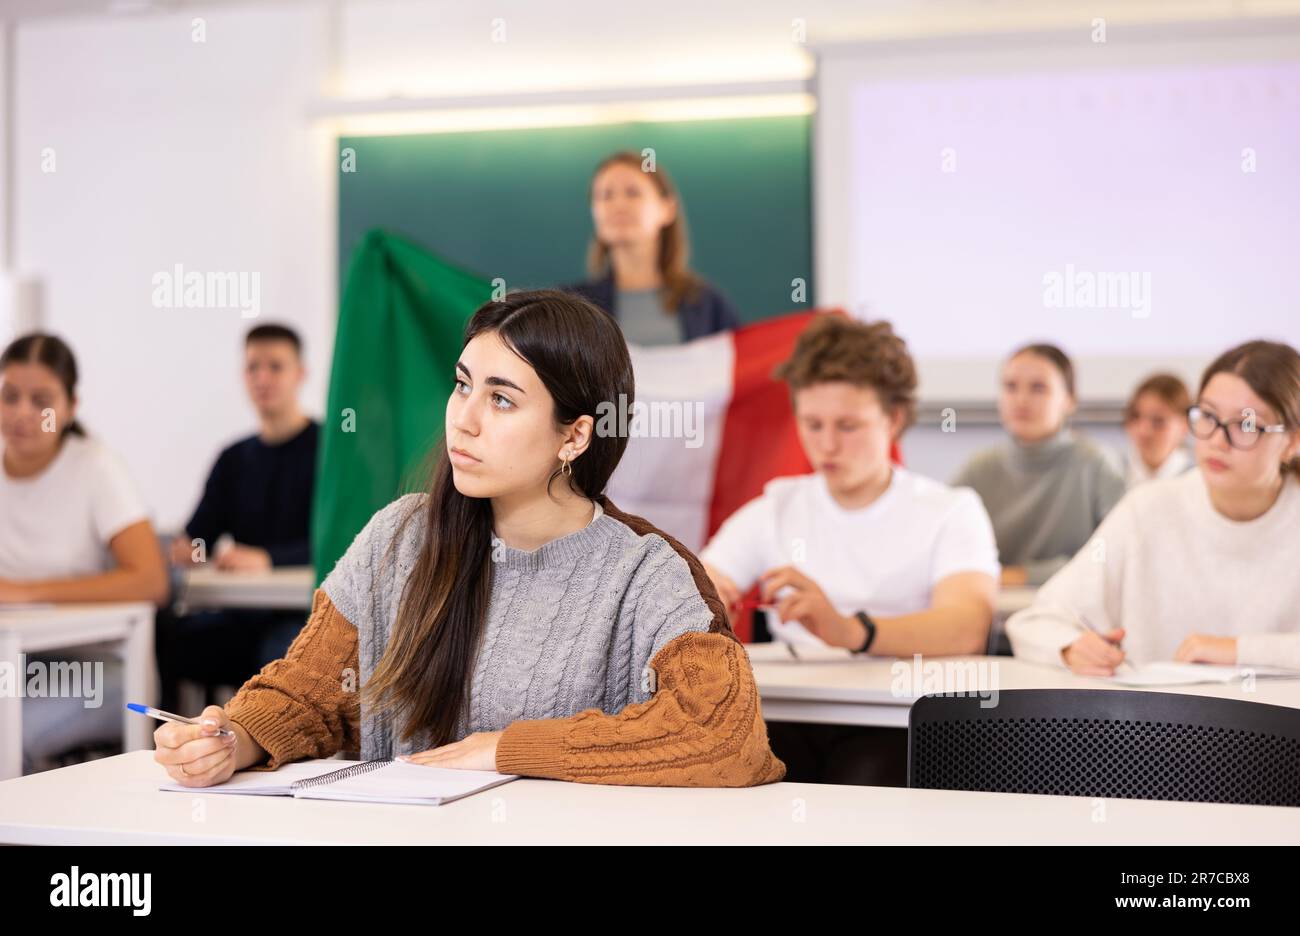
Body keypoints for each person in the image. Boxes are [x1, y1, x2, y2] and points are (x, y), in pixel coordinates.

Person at [152, 289, 785, 789]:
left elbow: (722, 734)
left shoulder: (647, 574)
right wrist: (234, 737)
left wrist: (509, 751)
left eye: (502, 400)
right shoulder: (397, 537)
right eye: (462, 385)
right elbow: (308, 692)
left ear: (575, 436)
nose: (465, 418)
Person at [699, 314, 999, 785]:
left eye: (848, 426)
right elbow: (700, 584)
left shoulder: (950, 510)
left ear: (894, 419)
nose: (827, 445)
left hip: (903, 724)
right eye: (812, 424)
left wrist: (847, 630)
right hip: (796, 716)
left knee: (864, 775)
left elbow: (966, 628)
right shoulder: (778, 506)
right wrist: (708, 596)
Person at [1007, 340, 1300, 674]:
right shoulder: (1147, 510)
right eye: (1207, 416)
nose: (1217, 440)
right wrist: (1071, 646)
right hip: (1157, 724)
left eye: (1246, 424)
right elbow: (1038, 620)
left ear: (1292, 440)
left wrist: (1239, 650)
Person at [0, 333, 168, 772]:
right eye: (9, 396)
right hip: (14, 666)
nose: (22, 412)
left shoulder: (95, 467)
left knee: (8, 732)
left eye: (41, 400)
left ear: (71, 406)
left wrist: (23, 593)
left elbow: (152, 581)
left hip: (103, 671)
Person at [157, 323, 319, 710]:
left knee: (279, 652)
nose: (262, 378)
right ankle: (173, 747)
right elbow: (199, 537)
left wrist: (268, 559)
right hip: (239, 615)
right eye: (253, 367)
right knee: (168, 634)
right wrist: (188, 550)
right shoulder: (232, 458)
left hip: (301, 615)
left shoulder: (330, 451)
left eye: (275, 367)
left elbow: (344, 539)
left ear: (300, 374)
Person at [952, 342, 1125, 588]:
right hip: (991, 609)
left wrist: (1021, 576)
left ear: (1069, 400)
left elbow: (1117, 555)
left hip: (1074, 608)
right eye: (1010, 387)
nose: (1021, 400)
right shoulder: (979, 468)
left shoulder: (1097, 465)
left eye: (1038, 388)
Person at [561, 150, 741, 346]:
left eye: (632, 193)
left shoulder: (707, 303)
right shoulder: (572, 308)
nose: (619, 205)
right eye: (605, 195)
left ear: (667, 208)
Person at [1121, 372, 1192, 488]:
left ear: (1184, 425)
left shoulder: (1197, 481)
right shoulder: (1111, 474)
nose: (1143, 430)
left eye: (1158, 421)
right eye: (1135, 416)